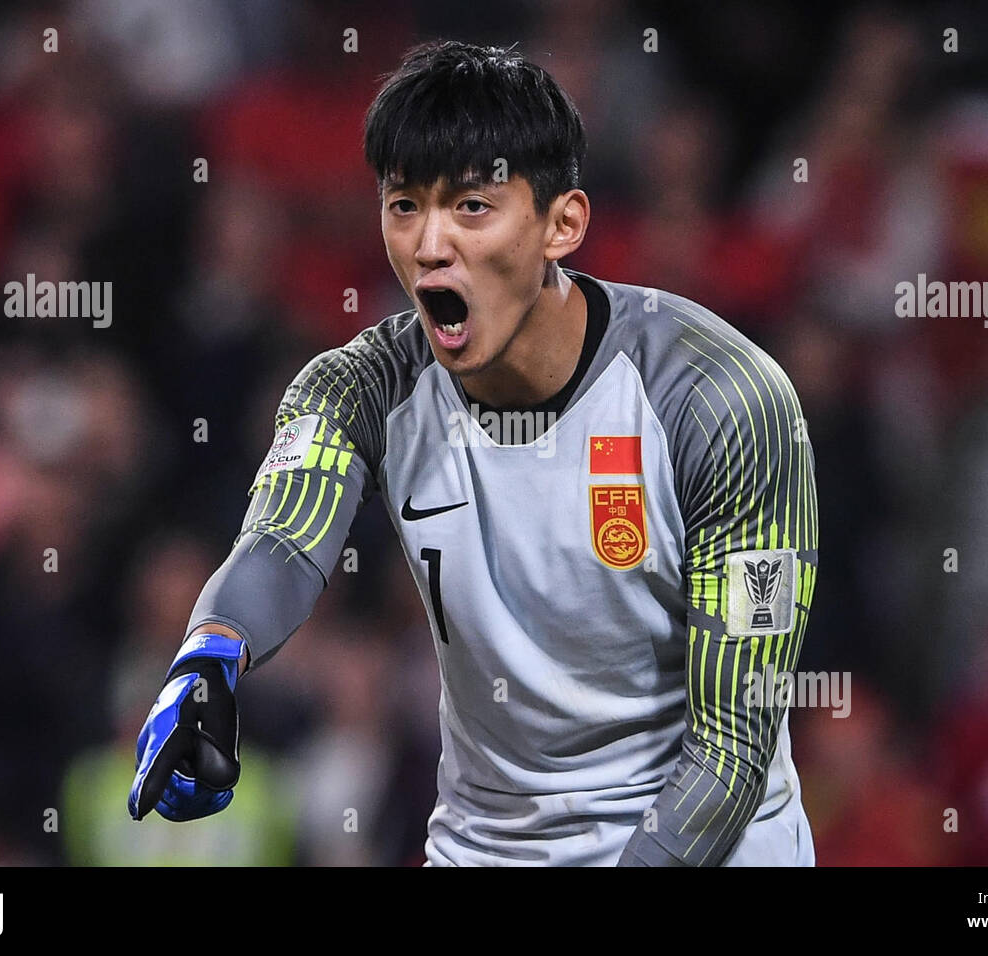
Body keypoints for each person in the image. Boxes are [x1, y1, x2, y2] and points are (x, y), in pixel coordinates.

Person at [128, 39, 820, 866]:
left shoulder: (725, 402)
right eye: (404, 205)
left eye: (471, 208)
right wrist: (208, 655)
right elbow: (279, 543)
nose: (429, 245)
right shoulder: (361, 388)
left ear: (562, 223)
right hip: (485, 848)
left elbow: (734, 750)